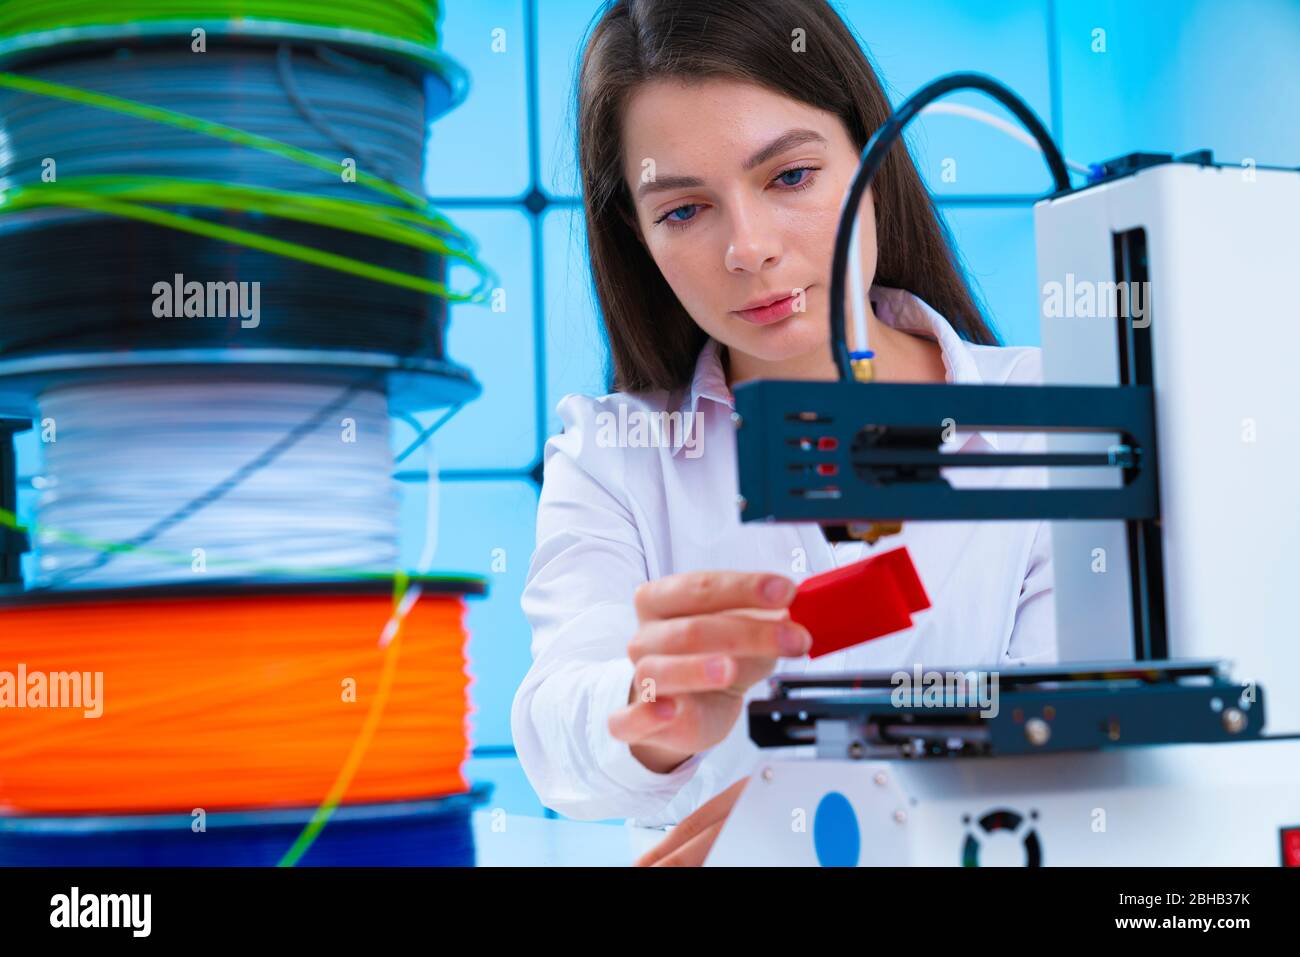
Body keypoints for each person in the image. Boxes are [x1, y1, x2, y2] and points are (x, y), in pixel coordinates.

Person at [510, 0, 1057, 865]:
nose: (750, 248)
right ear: (640, 237)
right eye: (685, 211)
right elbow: (556, 736)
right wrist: (657, 700)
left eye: (789, 176)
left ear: (872, 155)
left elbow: (1075, 756)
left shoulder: (1050, 418)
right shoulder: (611, 454)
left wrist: (831, 819)